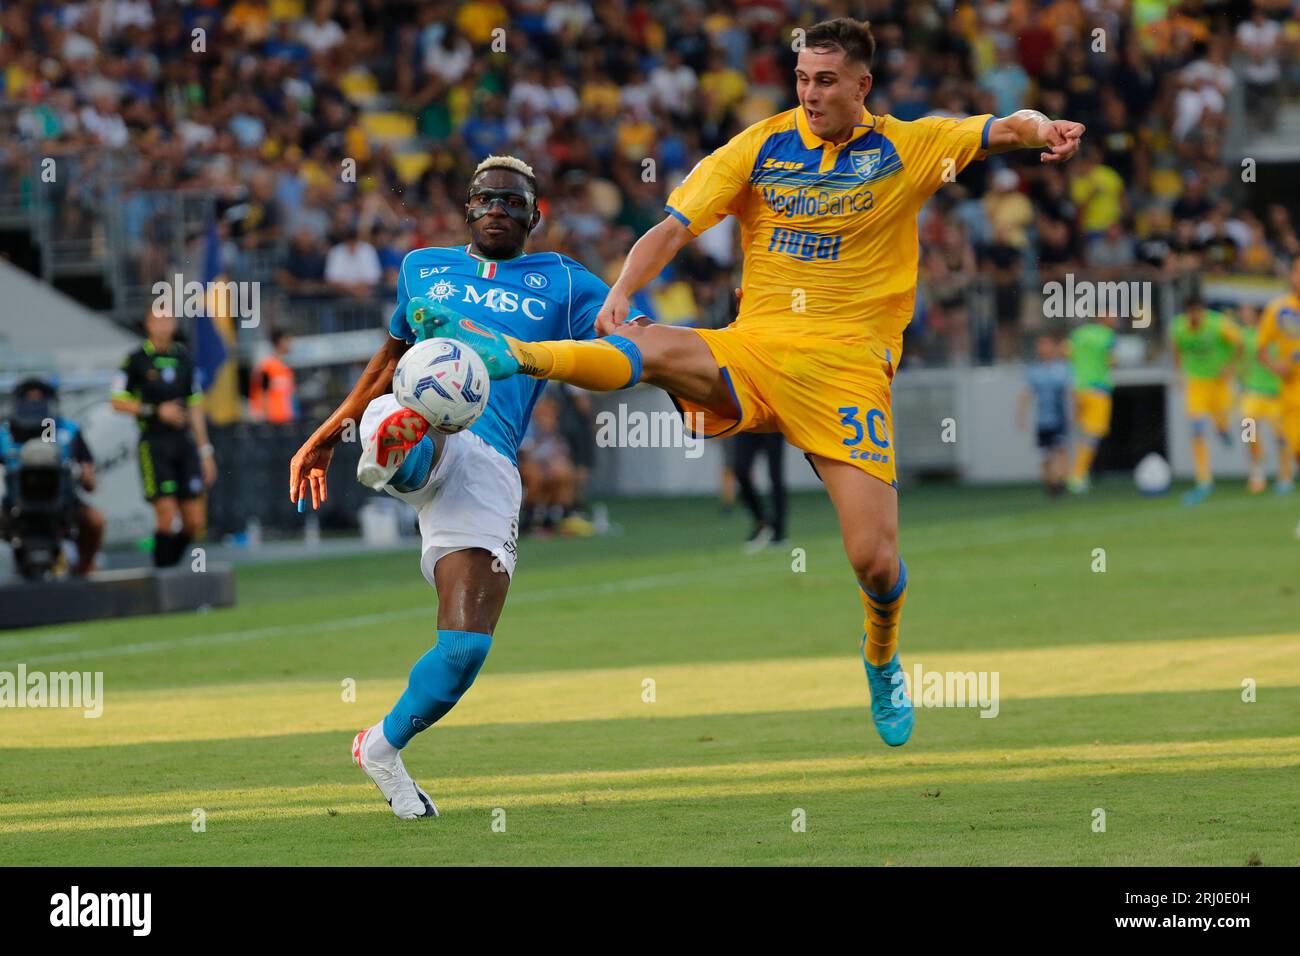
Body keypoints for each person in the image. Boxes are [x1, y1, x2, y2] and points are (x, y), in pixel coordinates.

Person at [432, 18, 1085, 747]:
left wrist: (1040, 128)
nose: (809, 93)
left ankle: (882, 658)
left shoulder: (911, 147)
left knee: (875, 562)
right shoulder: (761, 145)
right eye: (803, 78)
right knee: (648, 346)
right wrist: (623, 289)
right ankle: (517, 354)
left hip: (847, 371)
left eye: (826, 81)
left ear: (861, 85)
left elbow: (996, 129)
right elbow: (674, 225)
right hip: (756, 351)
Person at [287, 155, 643, 819]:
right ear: (467, 208)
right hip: (418, 416)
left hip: (489, 460)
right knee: (407, 399)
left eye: (513, 202)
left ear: (535, 216)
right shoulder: (422, 267)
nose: (498, 210)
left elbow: (633, 338)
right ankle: (395, 448)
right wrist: (325, 433)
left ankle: (382, 748)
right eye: (486, 199)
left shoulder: (566, 283)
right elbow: (388, 358)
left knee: (464, 650)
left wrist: (676, 348)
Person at [110, 307, 217, 567]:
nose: (164, 324)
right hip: (154, 443)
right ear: (148, 323)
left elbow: (195, 406)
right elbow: (117, 401)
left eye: (168, 318)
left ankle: (169, 566)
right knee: (166, 515)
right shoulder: (135, 360)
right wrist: (155, 410)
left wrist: (205, 452)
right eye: (158, 319)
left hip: (184, 443)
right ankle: (163, 576)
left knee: (195, 521)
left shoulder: (183, 358)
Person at [0, 377, 104, 575]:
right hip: (15, 505)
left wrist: (88, 477)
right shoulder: (4, 433)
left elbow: (88, 470)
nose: (34, 404)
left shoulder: (69, 430)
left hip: (63, 503)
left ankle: (83, 568)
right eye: (29, 399)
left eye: (39, 399)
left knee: (95, 521)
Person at [1171, 297, 1242, 505]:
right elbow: (1177, 351)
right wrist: (1179, 374)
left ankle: (1223, 430)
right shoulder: (1178, 328)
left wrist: (1230, 366)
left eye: (1197, 313)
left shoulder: (1220, 324)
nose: (1194, 317)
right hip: (1196, 383)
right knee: (1197, 428)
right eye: (1190, 314)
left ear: (1202, 311)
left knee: (1226, 422)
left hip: (1219, 383)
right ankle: (1204, 480)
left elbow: (1239, 345)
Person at [1236, 304, 1292, 494]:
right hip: (1254, 392)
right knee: (1247, 427)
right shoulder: (1246, 335)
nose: (1243, 315)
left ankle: (1285, 477)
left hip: (1277, 394)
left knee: (1282, 438)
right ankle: (1257, 472)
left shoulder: (1281, 336)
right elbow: (1239, 356)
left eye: (1247, 311)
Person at [1256, 258, 1300, 501]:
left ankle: (1269, 475)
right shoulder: (1277, 310)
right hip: (1271, 392)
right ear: (1291, 276)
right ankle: (1257, 471)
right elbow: (1260, 351)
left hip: (1268, 395)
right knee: (1248, 424)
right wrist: (1276, 367)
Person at [1065, 313, 1117, 494]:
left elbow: (1067, 354)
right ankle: (1077, 476)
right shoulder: (1108, 336)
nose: (1115, 319)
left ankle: (1079, 473)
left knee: (1080, 433)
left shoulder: (1078, 333)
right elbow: (1111, 361)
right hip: (1098, 389)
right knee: (1092, 436)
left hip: (1079, 389)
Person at [1018, 334, 1071, 496]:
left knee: (1061, 449)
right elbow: (1026, 394)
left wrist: (1077, 412)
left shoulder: (1062, 368)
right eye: (1041, 345)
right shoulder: (1034, 370)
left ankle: (1061, 482)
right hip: (1042, 420)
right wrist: (1021, 415)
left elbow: (1071, 391)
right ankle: (1050, 483)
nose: (1044, 349)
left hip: (1059, 418)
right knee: (1045, 454)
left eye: (1047, 345)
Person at [733, 431, 788, 552]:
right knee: (740, 470)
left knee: (775, 476)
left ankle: (779, 531)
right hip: (748, 422)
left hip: (772, 422)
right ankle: (762, 521)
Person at [249, 327, 298, 423]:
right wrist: (264, 417)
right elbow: (261, 393)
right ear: (280, 342)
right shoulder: (267, 367)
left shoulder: (286, 368)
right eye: (287, 340)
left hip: (287, 419)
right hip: (272, 421)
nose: (290, 344)